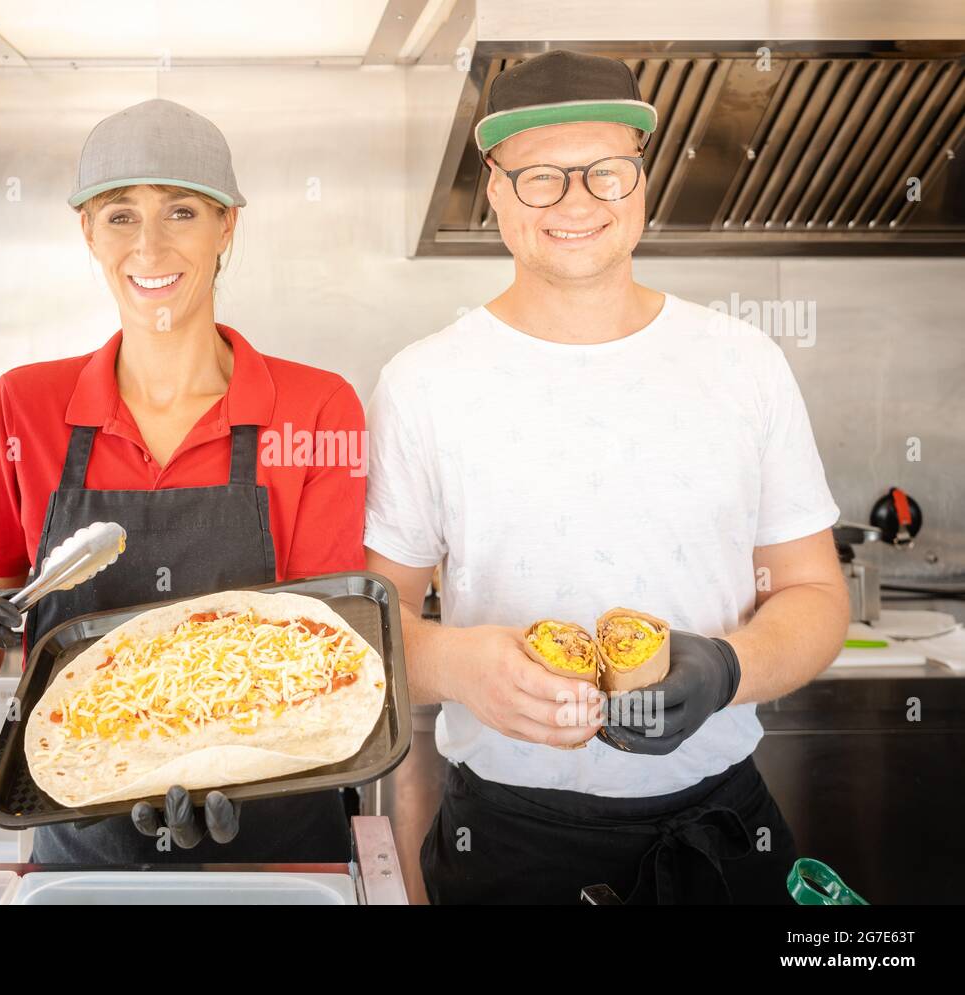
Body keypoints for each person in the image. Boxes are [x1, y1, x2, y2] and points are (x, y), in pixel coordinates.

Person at [363, 51, 848, 903]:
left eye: (606, 171)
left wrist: (729, 668)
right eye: (541, 176)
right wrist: (458, 665)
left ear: (643, 182)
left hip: (722, 836)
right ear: (495, 190)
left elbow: (815, 595)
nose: (578, 200)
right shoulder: (423, 381)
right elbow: (375, 622)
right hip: (508, 845)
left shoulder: (744, 362)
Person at [0, 99, 367, 863]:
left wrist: (232, 762)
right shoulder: (28, 404)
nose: (149, 244)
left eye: (180, 211)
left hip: (275, 821)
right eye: (120, 215)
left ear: (227, 228)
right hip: (83, 832)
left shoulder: (318, 407)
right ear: (87, 231)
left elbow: (327, 657)